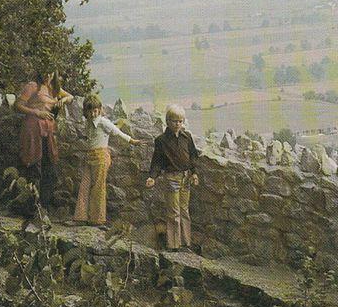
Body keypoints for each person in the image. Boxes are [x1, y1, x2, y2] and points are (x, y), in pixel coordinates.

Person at [73, 95, 144, 227]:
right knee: (84, 185)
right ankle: (81, 217)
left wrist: (132, 140)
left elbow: (117, 132)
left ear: (99, 110)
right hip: (90, 156)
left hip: (101, 156)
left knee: (98, 188)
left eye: (95, 110)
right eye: (90, 111)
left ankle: (97, 219)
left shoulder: (103, 122)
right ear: (86, 111)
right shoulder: (88, 123)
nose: (93, 113)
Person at [145, 104, 200, 251]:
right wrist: (152, 177)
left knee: (184, 211)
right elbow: (157, 161)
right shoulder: (161, 141)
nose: (178, 124)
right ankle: (174, 245)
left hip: (185, 177)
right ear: (167, 121)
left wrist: (194, 173)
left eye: (180, 121)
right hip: (171, 178)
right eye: (174, 121)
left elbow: (193, 157)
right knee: (173, 212)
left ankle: (186, 243)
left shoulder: (186, 137)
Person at [16, 71, 73, 210]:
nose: (47, 76)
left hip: (48, 130)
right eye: (45, 72)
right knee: (34, 166)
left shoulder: (53, 89)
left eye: (50, 73)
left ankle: (43, 206)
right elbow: (18, 105)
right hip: (33, 129)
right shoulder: (33, 86)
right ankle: (30, 206)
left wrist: (62, 100)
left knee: (50, 168)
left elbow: (70, 97)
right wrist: (37, 112)